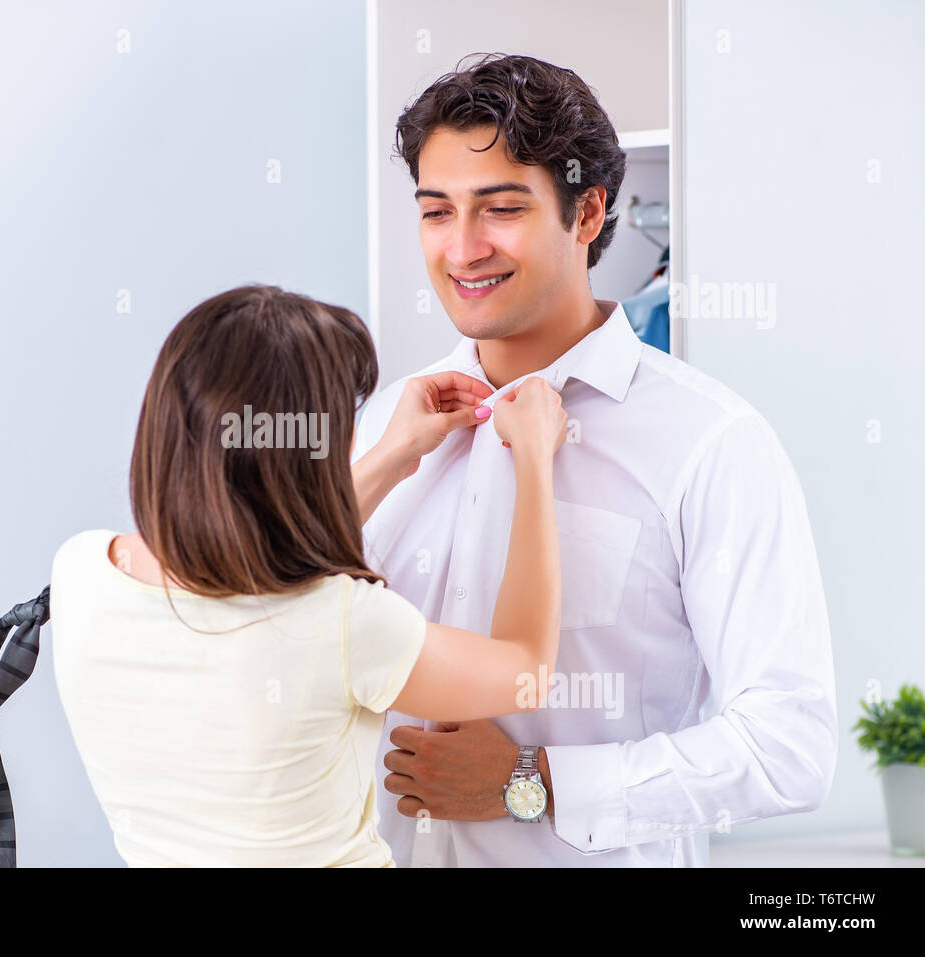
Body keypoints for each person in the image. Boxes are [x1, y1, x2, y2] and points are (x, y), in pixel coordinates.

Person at [357, 52, 837, 867]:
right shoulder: (387, 421)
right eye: (436, 212)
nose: (463, 247)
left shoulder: (709, 442)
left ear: (586, 215)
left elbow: (789, 744)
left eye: (500, 208)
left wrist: (533, 779)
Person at [49, 283, 568, 866]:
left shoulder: (84, 571)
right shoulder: (342, 622)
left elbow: (258, 546)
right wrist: (532, 460)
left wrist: (393, 456)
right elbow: (527, 667)